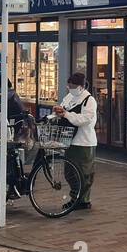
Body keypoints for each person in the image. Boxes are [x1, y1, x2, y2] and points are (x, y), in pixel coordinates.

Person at [53, 72, 98, 212]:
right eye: (69, 86)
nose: (70, 88)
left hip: (84, 142)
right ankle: (75, 197)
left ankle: (83, 201)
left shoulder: (89, 100)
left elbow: (85, 119)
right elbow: (63, 107)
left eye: (72, 86)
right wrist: (58, 111)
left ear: (80, 86)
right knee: (70, 172)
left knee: (84, 173)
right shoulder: (70, 96)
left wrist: (66, 114)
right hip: (70, 140)